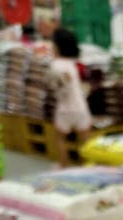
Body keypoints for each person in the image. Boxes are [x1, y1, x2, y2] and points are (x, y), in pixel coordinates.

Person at [50, 26, 92, 167]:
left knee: (59, 139)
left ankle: (65, 167)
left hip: (64, 108)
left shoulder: (56, 65)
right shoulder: (72, 63)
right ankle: (87, 168)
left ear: (57, 46)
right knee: (85, 141)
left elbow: (59, 84)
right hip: (80, 106)